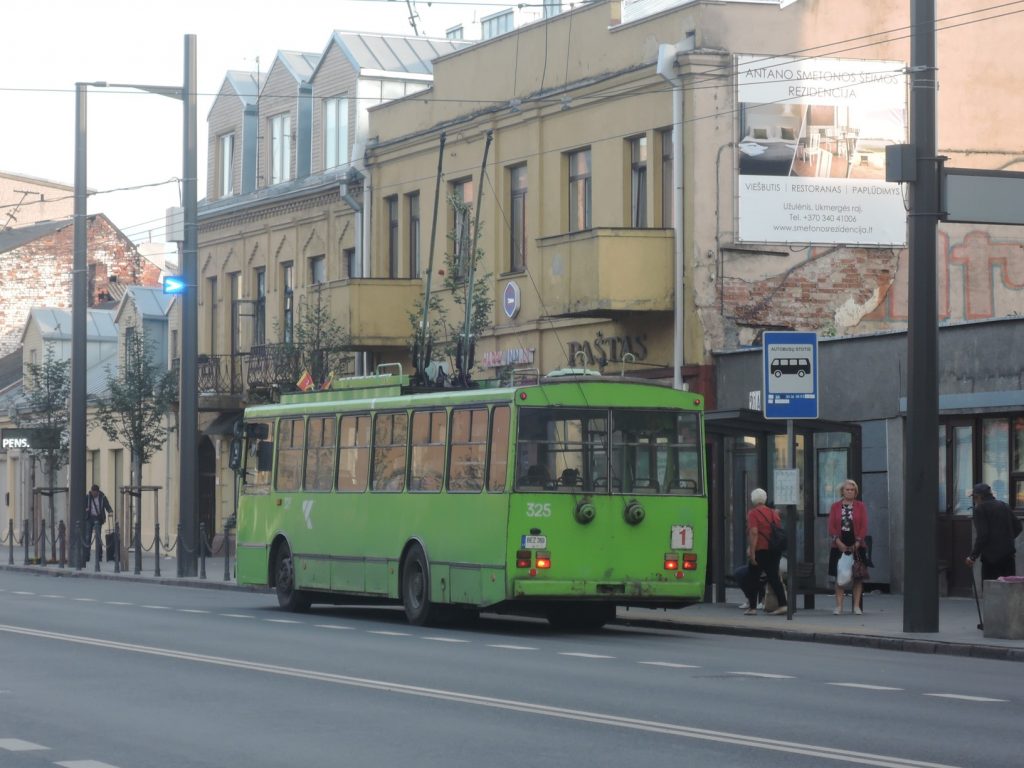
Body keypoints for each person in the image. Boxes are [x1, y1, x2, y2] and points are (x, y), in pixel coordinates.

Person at [742, 488, 788, 616]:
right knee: (774, 577)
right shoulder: (773, 513)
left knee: (753, 578)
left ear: (753, 500)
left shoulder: (753, 513)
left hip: (761, 549)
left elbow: (754, 532)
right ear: (765, 499)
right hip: (775, 549)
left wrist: (752, 552)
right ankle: (783, 604)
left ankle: (752, 607)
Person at [965, 483, 1022, 582]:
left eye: (974, 497)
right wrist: (1006, 539)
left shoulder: (979, 509)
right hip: (1008, 556)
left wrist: (973, 556)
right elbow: (1018, 527)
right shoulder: (1004, 506)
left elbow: (983, 535)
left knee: (991, 589)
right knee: (1008, 588)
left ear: (979, 496)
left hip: (990, 559)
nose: (974, 500)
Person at [828, 479, 869, 615]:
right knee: (839, 576)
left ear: (855, 492)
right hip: (839, 545)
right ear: (842, 491)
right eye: (847, 489)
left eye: (852, 490)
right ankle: (839, 606)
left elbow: (864, 526)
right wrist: (838, 542)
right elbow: (831, 526)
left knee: (857, 576)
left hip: (857, 545)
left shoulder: (860, 506)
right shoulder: (835, 506)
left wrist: (858, 542)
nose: (850, 492)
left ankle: (856, 606)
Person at [83, 484, 111, 562]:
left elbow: (107, 505)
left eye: (95, 493)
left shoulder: (102, 497)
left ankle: (99, 556)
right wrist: (85, 511)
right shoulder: (88, 497)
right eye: (92, 492)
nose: (94, 494)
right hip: (89, 518)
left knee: (98, 537)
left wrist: (110, 511)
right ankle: (86, 556)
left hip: (98, 518)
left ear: (98, 492)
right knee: (88, 537)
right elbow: (83, 505)